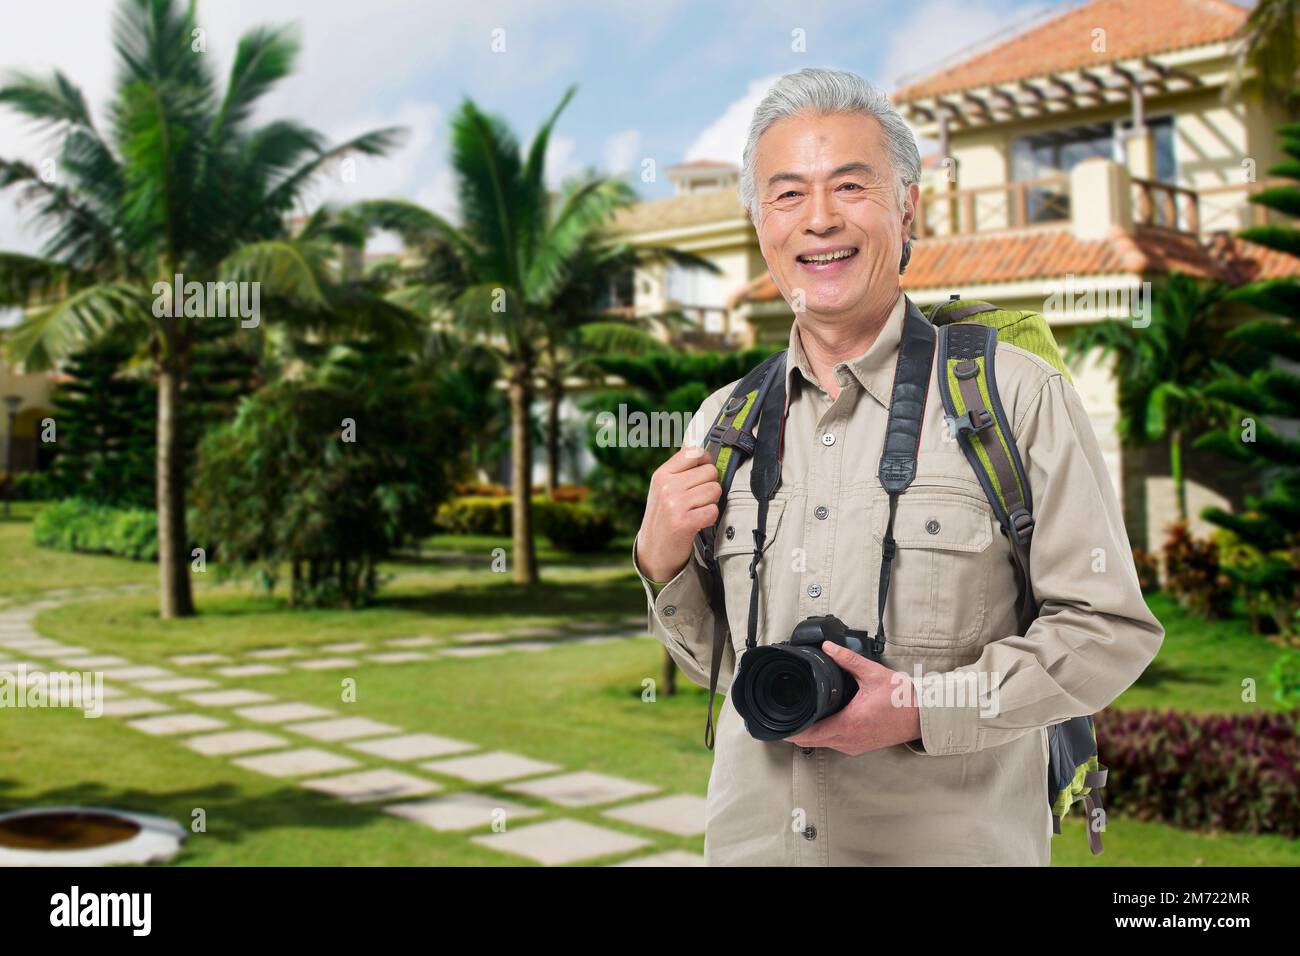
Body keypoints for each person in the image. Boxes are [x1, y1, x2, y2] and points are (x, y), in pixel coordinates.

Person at [632, 67, 1164, 866]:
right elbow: (724, 664)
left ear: (906, 207)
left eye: (851, 186)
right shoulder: (725, 421)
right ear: (757, 221)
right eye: (786, 195)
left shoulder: (1014, 398)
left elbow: (1106, 630)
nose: (819, 220)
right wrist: (658, 559)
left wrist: (921, 707)